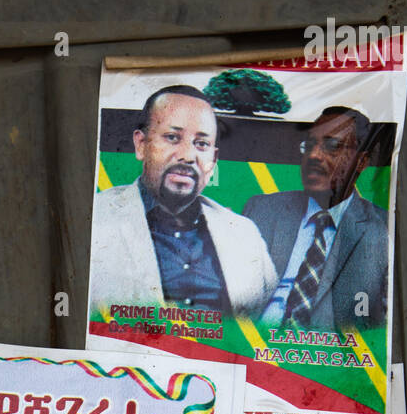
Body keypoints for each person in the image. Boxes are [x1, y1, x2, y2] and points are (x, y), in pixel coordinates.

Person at [89, 84, 277, 319]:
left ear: (214, 159)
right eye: (172, 137)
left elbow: (266, 330)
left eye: (202, 144)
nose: (188, 156)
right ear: (141, 145)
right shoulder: (93, 219)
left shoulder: (245, 235)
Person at [242, 106, 389, 332]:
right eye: (309, 146)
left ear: (361, 161)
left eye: (332, 146)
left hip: (324, 358)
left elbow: (378, 329)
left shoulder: (381, 229)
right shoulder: (261, 209)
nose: (314, 155)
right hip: (250, 348)